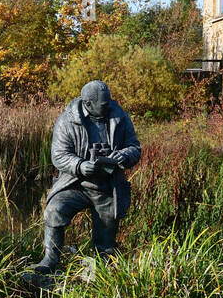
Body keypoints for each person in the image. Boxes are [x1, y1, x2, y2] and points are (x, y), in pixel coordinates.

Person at [32, 79, 142, 274]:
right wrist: (80, 165)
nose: (108, 106)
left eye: (109, 102)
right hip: (75, 184)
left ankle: (100, 270)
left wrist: (124, 155)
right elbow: (58, 155)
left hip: (108, 186)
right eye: (103, 104)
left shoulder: (120, 118)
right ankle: (50, 258)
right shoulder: (67, 121)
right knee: (54, 210)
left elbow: (134, 147)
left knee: (106, 243)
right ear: (88, 103)